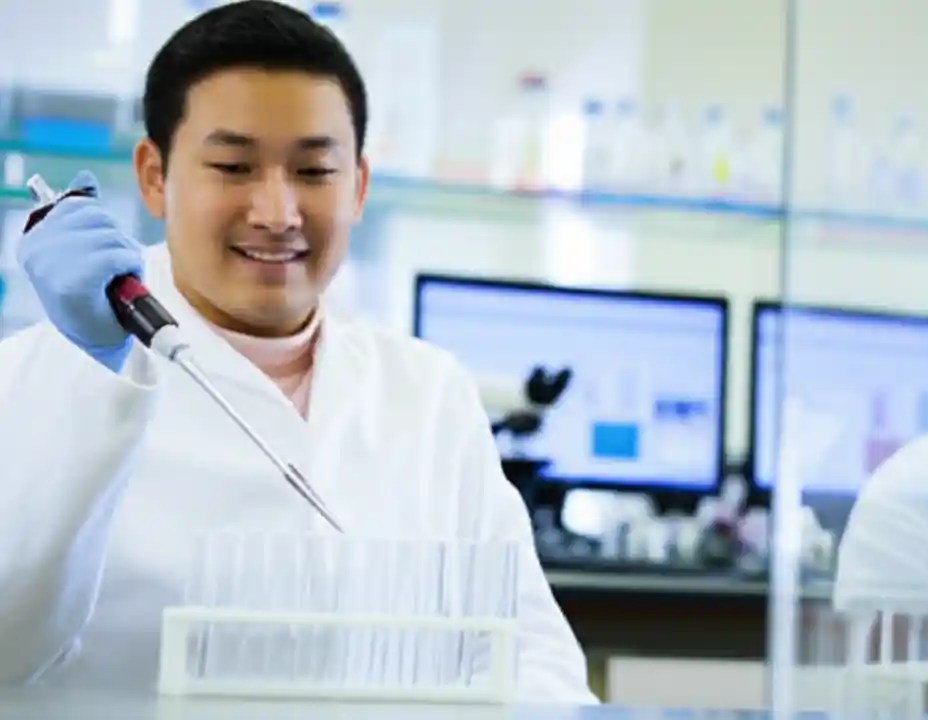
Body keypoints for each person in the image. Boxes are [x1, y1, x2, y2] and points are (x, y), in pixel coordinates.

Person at [0, 0, 595, 703]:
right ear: (154, 176)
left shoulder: (428, 392)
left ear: (359, 187)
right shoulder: (37, 375)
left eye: (314, 172)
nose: (277, 213)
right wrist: (83, 378)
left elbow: (535, 662)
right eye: (233, 166)